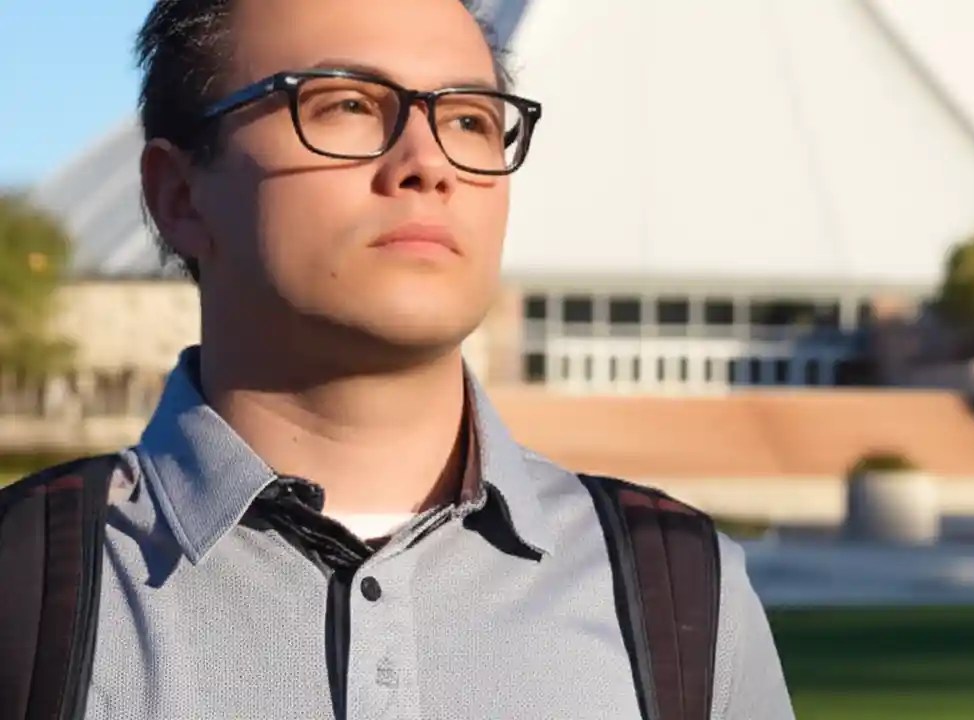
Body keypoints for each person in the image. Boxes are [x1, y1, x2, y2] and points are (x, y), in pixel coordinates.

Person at [16, 0, 795, 717]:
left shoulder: (684, 602)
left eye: (468, 119)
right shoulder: (26, 595)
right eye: (348, 105)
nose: (429, 162)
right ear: (180, 197)